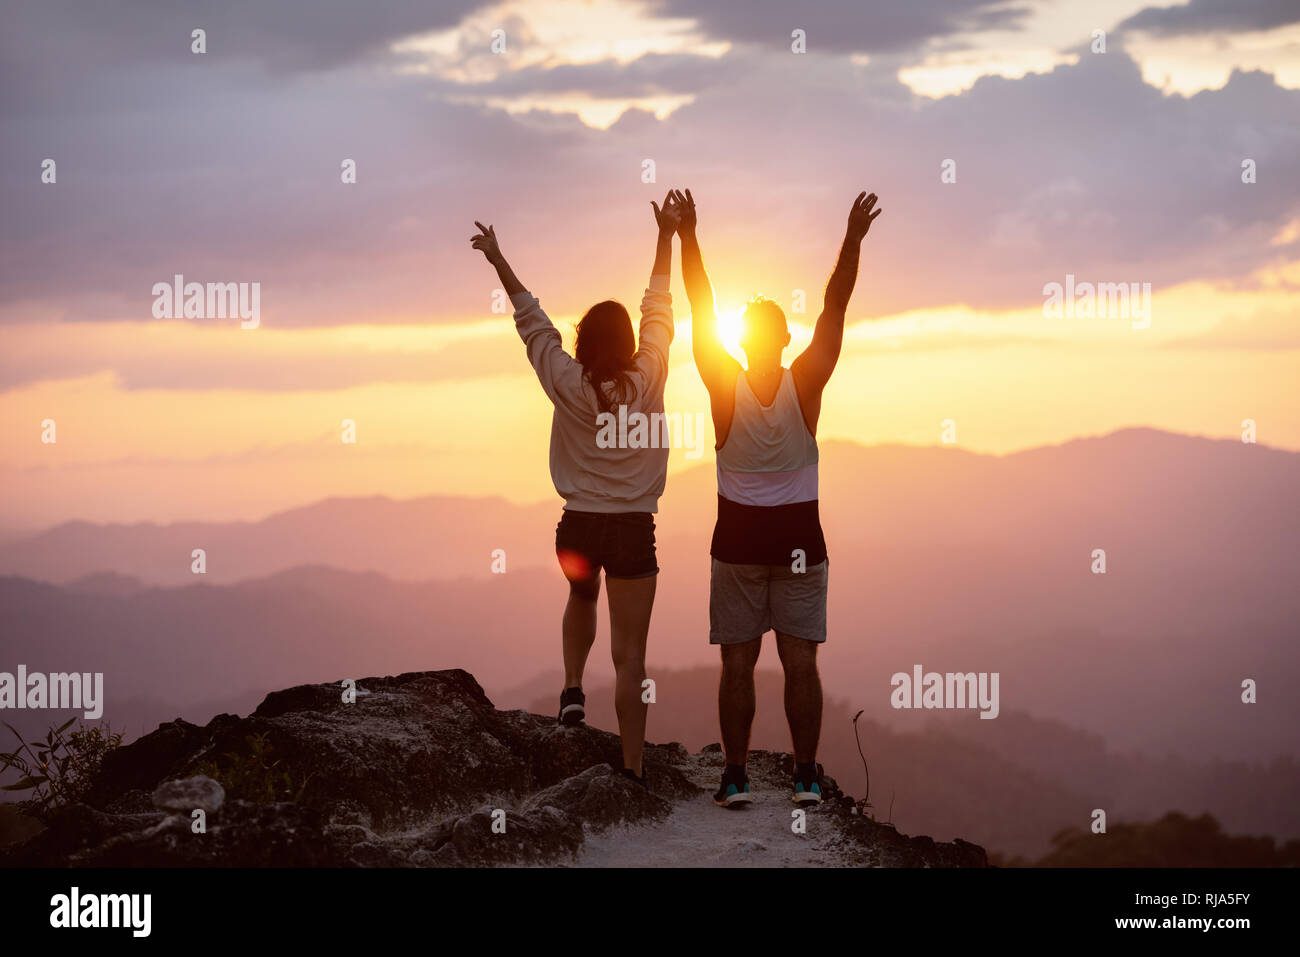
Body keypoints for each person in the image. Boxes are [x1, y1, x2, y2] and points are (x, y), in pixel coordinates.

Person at [673, 187, 882, 807]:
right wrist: (852, 239)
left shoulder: (720, 384)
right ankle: (806, 776)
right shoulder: (807, 382)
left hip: (735, 549)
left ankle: (734, 777)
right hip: (800, 551)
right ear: (787, 339)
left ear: (740, 340)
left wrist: (689, 236)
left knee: (737, 668)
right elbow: (835, 306)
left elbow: (699, 305)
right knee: (801, 665)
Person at [470, 193, 683, 789]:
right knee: (631, 656)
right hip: (635, 525)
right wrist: (665, 237)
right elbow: (659, 310)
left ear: (585, 340)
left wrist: (497, 257)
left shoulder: (565, 380)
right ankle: (633, 769)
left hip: (578, 525)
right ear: (629, 340)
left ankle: (570, 689)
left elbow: (531, 320)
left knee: (581, 599)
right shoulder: (648, 377)